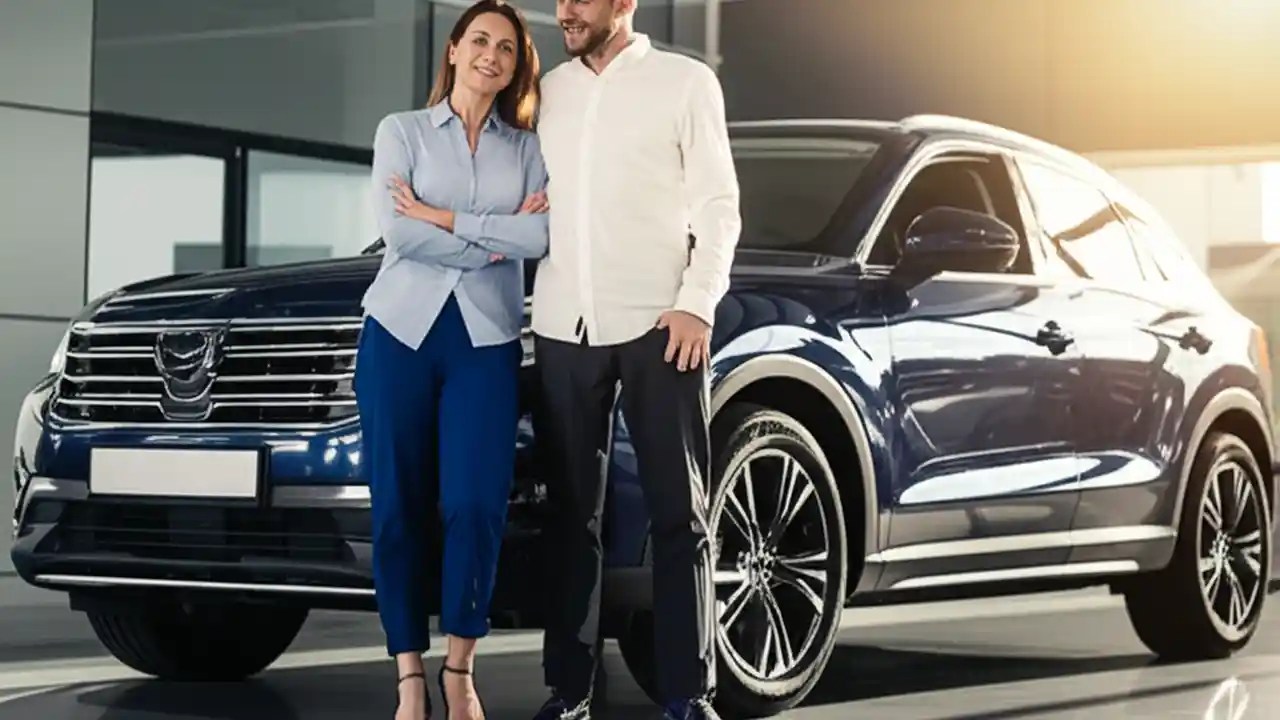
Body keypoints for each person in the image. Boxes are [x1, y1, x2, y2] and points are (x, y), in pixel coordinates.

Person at [528, 1, 742, 719]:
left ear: (624, 3)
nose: (566, 10)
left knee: (679, 514)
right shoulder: (548, 90)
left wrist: (698, 301)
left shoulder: (685, 83)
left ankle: (688, 695)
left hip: (662, 323)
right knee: (571, 517)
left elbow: (718, 205)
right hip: (562, 323)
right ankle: (568, 694)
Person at [354, 2, 548, 719]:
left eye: (506, 46)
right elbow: (396, 234)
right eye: (480, 41)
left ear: (514, 65)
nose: (492, 55)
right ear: (455, 50)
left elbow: (544, 234)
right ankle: (409, 671)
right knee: (399, 506)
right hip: (399, 335)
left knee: (474, 503)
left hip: (485, 341)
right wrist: (494, 238)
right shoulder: (401, 131)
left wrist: (446, 218)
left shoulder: (527, 148)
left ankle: (459, 666)